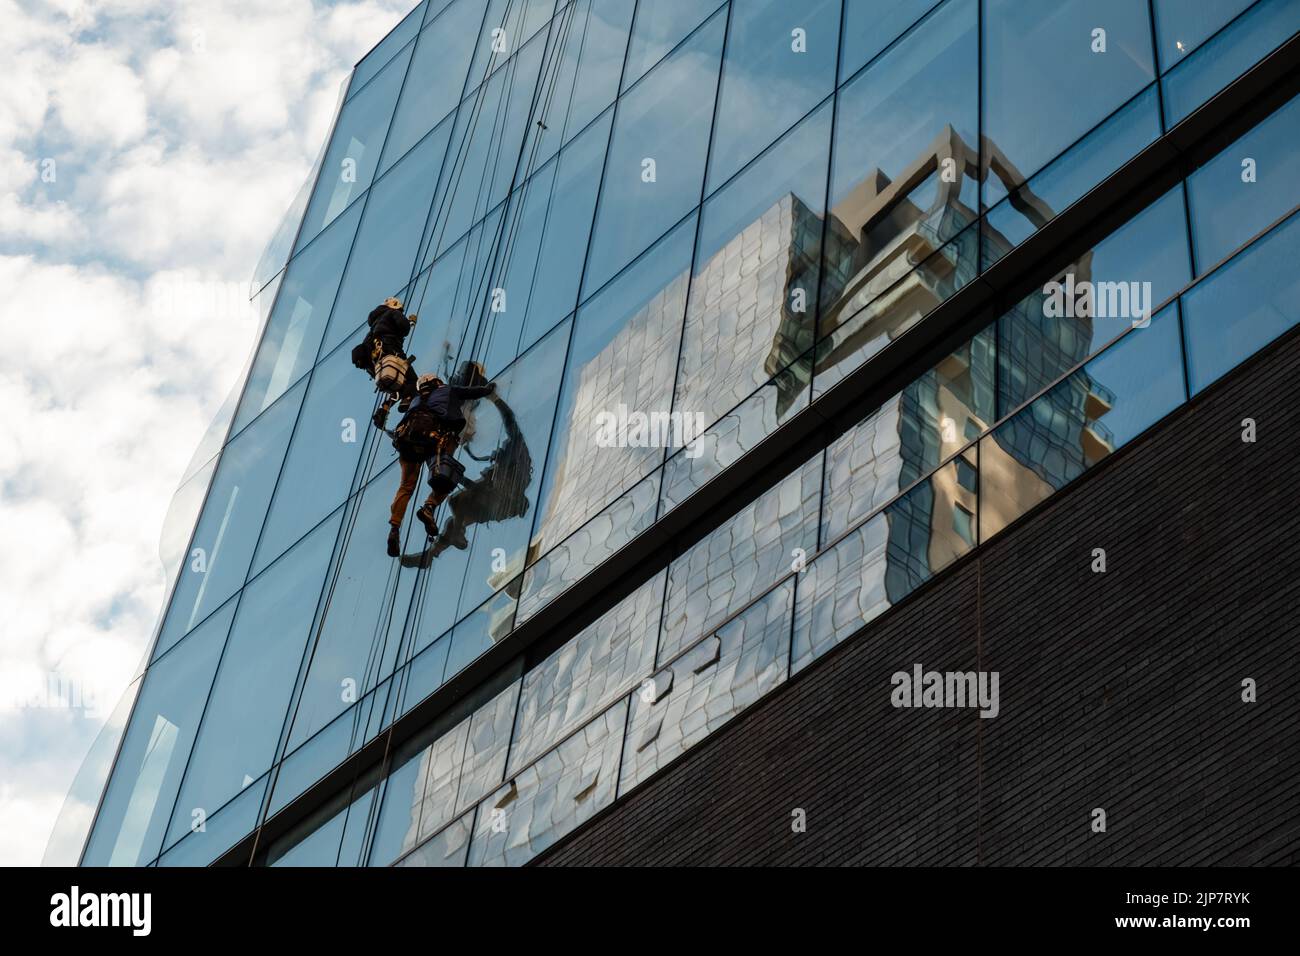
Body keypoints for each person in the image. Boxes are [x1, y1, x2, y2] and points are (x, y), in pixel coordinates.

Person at [383, 372, 497, 556]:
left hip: (407, 443)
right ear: (436, 382)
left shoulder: (416, 400)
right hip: (437, 439)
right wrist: (489, 389)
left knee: (405, 487)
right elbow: (473, 392)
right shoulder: (448, 389)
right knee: (445, 477)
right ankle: (429, 507)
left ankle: (394, 528)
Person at [351, 297, 419, 428]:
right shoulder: (393, 312)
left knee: (398, 384)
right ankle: (408, 398)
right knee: (412, 380)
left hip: (378, 364)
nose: (401, 311)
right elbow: (403, 328)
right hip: (391, 350)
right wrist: (409, 321)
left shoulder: (372, 331)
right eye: (400, 309)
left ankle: (384, 409)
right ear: (394, 305)